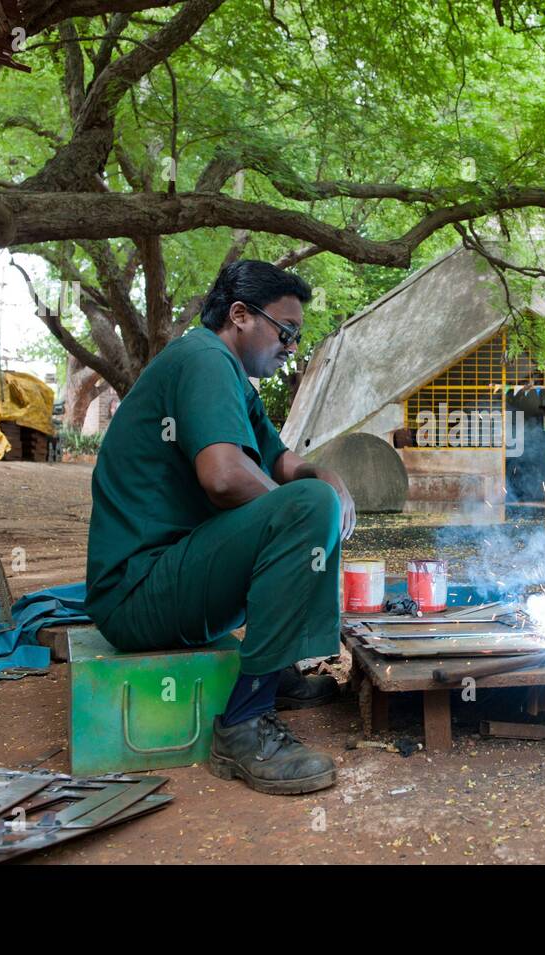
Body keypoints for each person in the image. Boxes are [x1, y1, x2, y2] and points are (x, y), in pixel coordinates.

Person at [85, 260, 356, 795]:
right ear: (239, 316)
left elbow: (279, 461)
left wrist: (325, 476)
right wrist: (306, 511)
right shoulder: (205, 358)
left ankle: (270, 667)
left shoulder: (233, 378)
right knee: (306, 510)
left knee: (310, 500)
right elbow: (224, 477)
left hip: (173, 575)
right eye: (286, 331)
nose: (292, 346)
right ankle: (243, 723)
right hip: (138, 594)